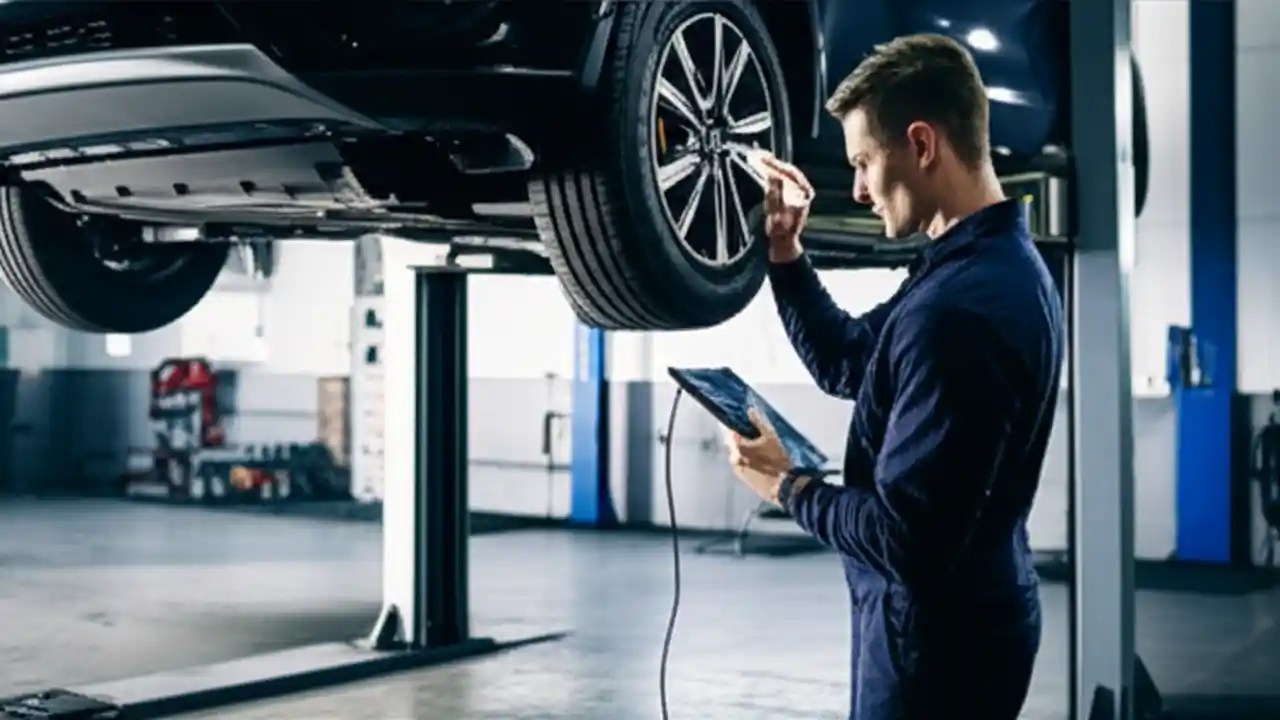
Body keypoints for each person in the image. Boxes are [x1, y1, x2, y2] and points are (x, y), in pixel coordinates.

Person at [723, 33, 1065, 720]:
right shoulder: (976, 267)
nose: (855, 188)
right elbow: (851, 360)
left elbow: (907, 541)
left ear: (923, 143)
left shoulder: (960, 311)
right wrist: (787, 253)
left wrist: (787, 487)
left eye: (864, 162)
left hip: (938, 649)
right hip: (959, 620)